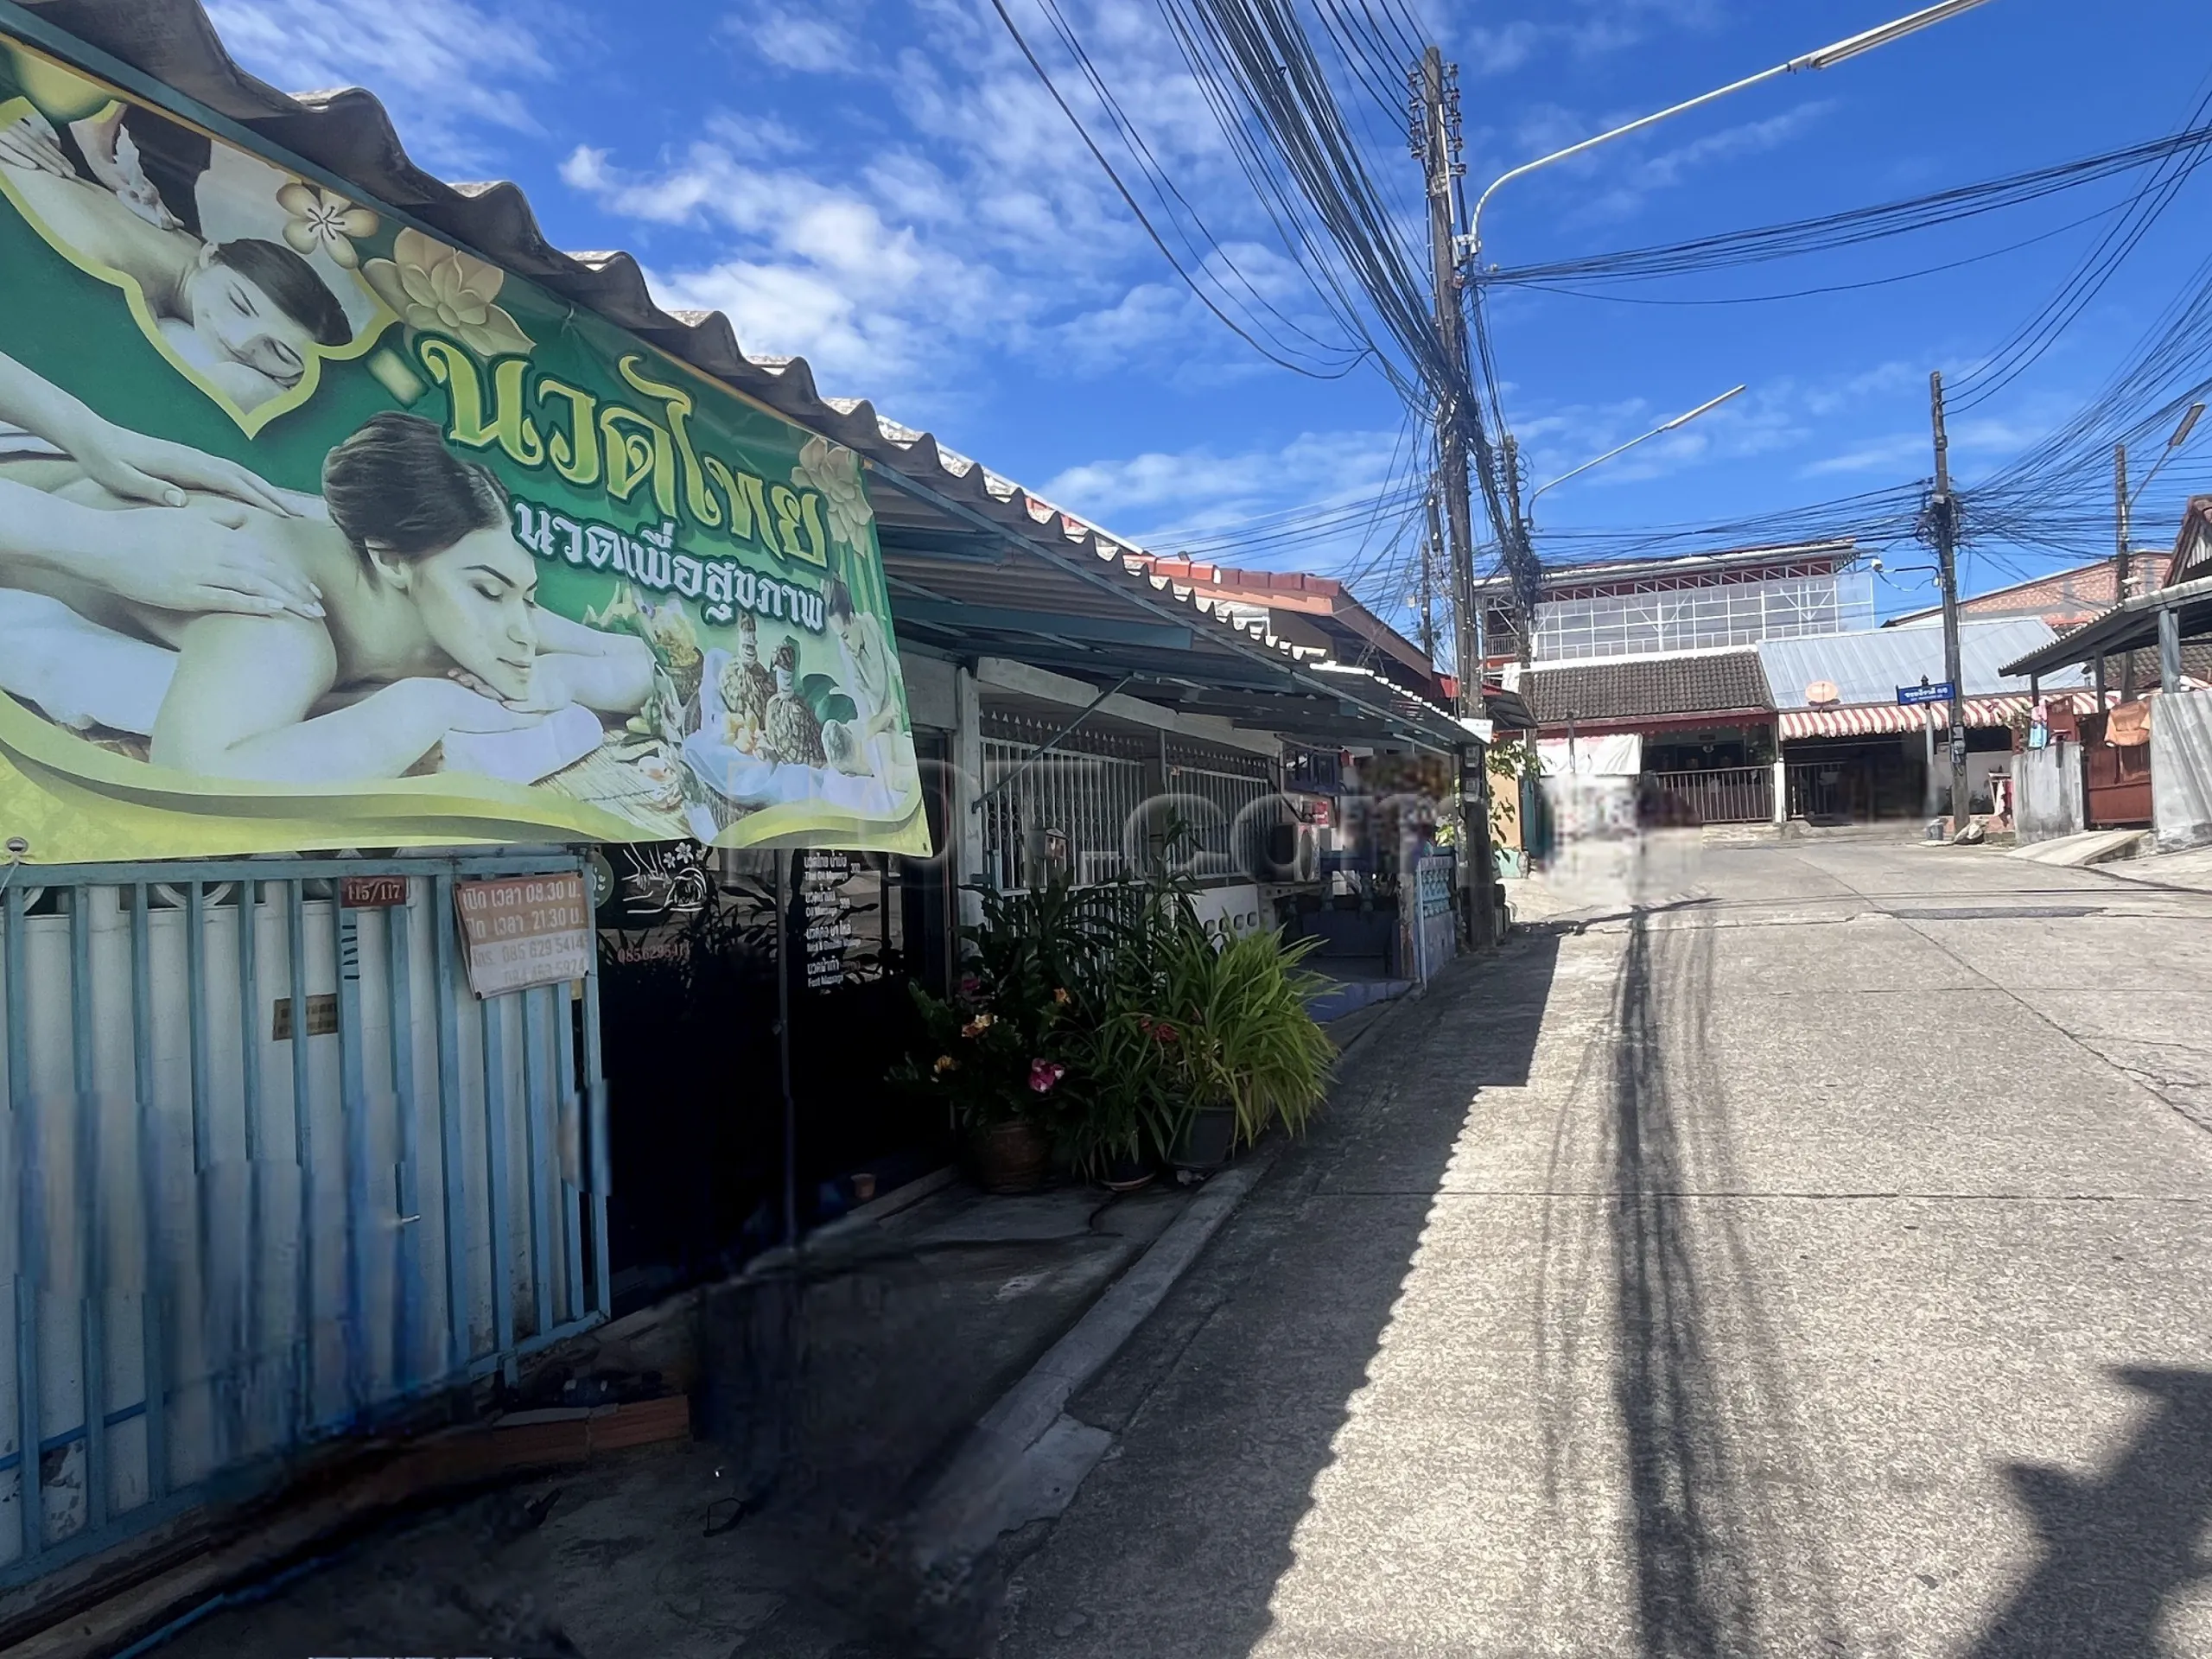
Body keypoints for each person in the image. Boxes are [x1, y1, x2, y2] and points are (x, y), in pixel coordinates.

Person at [0, 411, 653, 781]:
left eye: (526, 596)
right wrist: (425, 704)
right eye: (489, 592)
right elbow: (192, 774)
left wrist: (556, 683)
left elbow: (633, 663)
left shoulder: (456, 594)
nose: (522, 630)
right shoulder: (280, 615)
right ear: (391, 562)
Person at [0, 108, 349, 408]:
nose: (240, 342)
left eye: (280, 354)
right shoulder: (114, 283)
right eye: (239, 304)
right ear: (212, 255)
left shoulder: (166, 213)